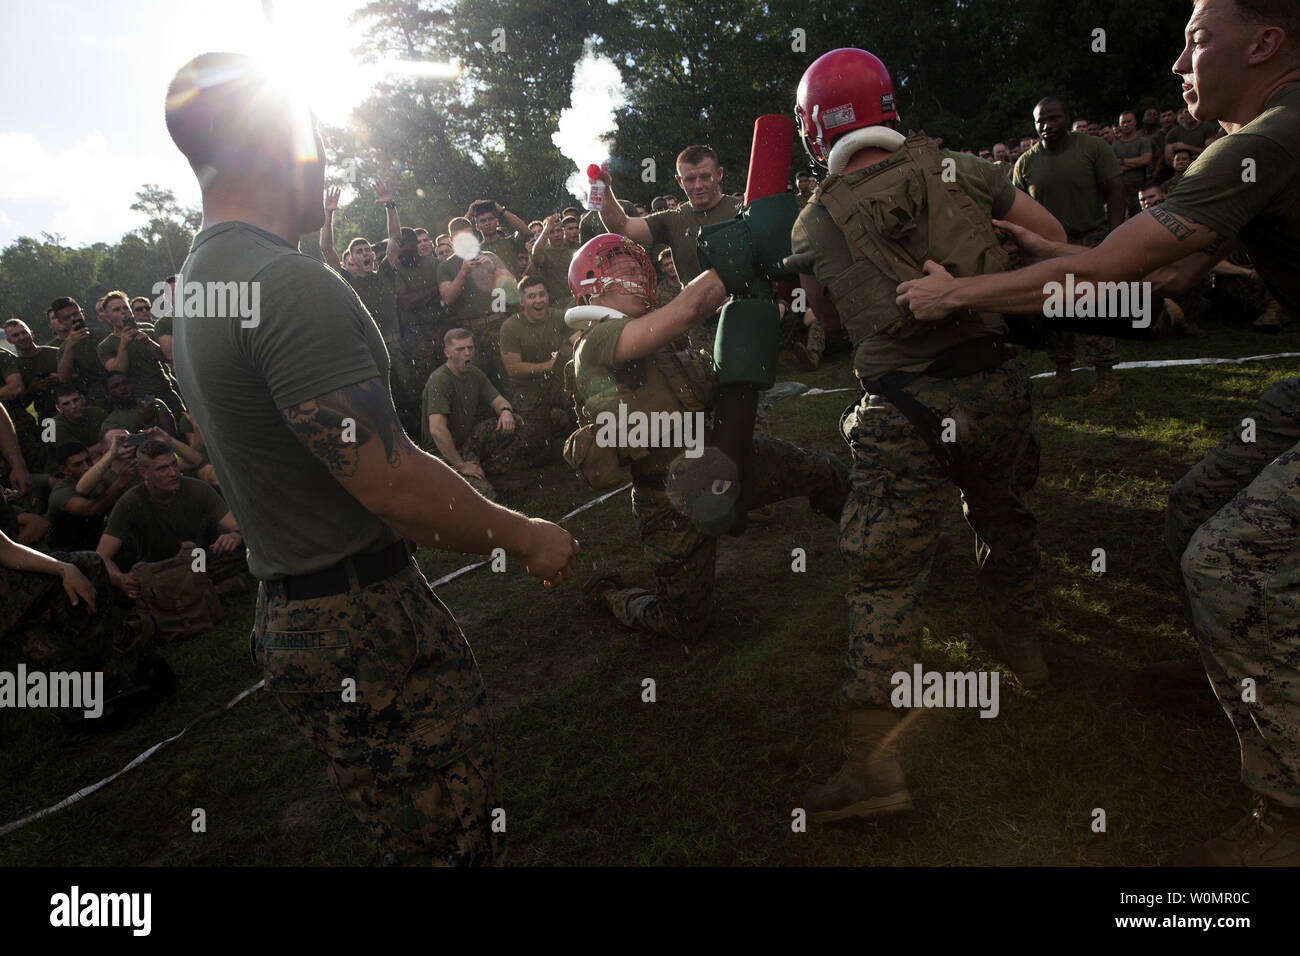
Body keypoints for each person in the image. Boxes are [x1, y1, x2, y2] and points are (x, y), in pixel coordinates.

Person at [897, 0, 1300, 865]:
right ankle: (1242, 672)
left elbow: (1118, 267)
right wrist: (1043, 261)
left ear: (1266, 43)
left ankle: (1287, 819)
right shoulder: (1266, 137)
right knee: (1198, 502)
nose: (1177, 65)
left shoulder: (1274, 134)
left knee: (1227, 556)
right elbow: (1158, 283)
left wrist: (955, 294)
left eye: (1197, 40)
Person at [165, 52, 577, 866]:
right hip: (361, 622)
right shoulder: (285, 285)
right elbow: (388, 479)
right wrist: (523, 534)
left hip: (296, 613)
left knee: (406, 834)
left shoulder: (197, 283)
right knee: (451, 840)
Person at [788, 47, 1067, 823]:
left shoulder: (815, 215)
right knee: (1006, 518)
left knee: (885, 581)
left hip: (902, 411)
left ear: (816, 128)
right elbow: (1050, 236)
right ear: (885, 106)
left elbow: (830, 315)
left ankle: (875, 770)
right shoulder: (961, 168)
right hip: (994, 386)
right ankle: (1022, 643)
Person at [570, 235, 848, 641]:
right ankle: (615, 596)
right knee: (684, 624)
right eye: (624, 272)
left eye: (636, 269)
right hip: (667, 498)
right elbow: (688, 309)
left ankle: (876, 541)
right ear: (594, 286)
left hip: (723, 458)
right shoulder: (595, 343)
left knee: (824, 471)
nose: (637, 279)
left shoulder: (654, 331)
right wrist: (739, 257)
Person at [1012, 96, 1126, 403]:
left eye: (1053, 119)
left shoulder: (1092, 148)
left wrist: (1115, 234)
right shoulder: (1026, 162)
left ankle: (1106, 378)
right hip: (1047, 247)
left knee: (1092, 309)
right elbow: (1017, 207)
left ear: (1067, 117)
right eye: (1040, 121)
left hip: (1090, 238)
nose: (1046, 126)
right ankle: (1063, 371)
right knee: (1055, 309)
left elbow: (1115, 188)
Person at [594, 145, 742, 284]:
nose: (698, 185)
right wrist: (603, 188)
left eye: (705, 177)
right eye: (690, 179)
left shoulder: (742, 211)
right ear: (680, 181)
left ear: (719, 174)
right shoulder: (674, 220)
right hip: (695, 310)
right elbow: (622, 227)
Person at [421, 328, 523, 500]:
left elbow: (499, 401)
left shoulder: (474, 373)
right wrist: (461, 465)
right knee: (488, 500)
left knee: (515, 421)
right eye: (460, 350)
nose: (467, 353)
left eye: (470, 348)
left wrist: (505, 411)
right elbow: (437, 430)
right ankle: (471, 480)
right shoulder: (440, 380)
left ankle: (489, 475)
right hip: (442, 455)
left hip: (466, 443)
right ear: (447, 353)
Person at [497, 276, 577, 463]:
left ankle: (584, 439)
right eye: (532, 296)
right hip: (527, 390)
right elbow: (513, 368)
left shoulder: (559, 316)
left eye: (542, 294)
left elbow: (578, 341)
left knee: (582, 398)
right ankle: (552, 426)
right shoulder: (510, 327)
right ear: (522, 301)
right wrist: (547, 366)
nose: (539, 300)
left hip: (558, 382)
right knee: (539, 457)